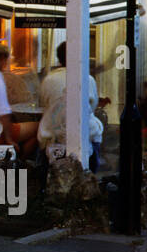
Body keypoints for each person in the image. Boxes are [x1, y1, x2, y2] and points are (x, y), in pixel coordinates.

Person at [38, 41, 104, 169]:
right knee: (95, 131)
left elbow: (44, 104)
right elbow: (93, 106)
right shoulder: (87, 79)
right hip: (83, 135)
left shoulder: (49, 79)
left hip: (52, 135)